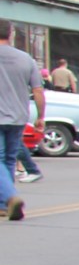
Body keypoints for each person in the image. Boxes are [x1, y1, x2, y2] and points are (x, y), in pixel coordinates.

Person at [0, 23, 44, 221]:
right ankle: (3, 204)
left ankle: (10, 196)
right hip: (18, 117)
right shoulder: (26, 58)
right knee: (9, 158)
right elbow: (38, 91)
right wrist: (41, 117)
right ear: (11, 34)